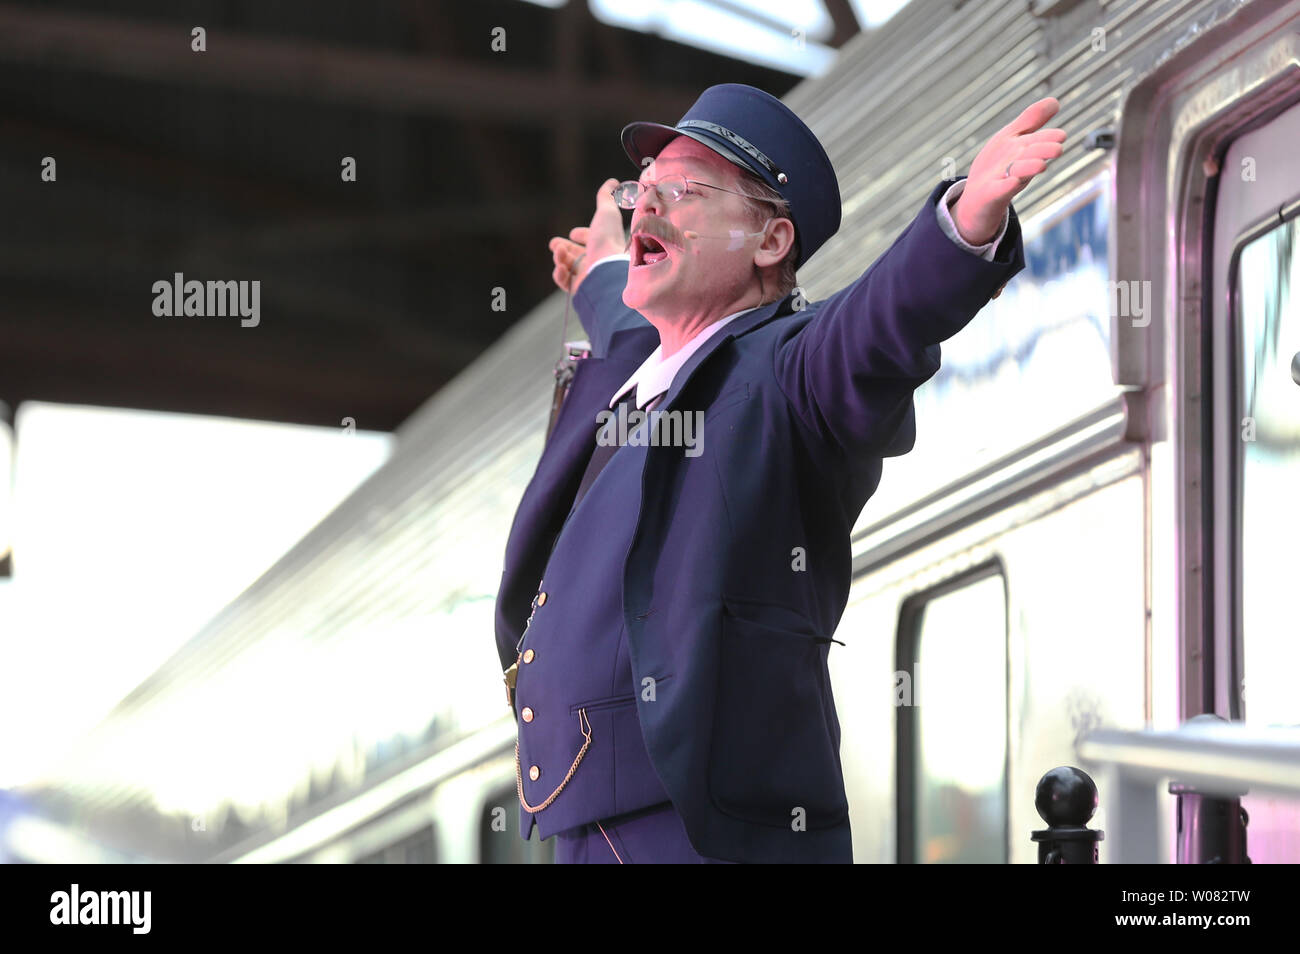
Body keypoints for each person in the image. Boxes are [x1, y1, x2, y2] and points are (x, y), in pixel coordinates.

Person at [494, 83, 1066, 863]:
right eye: (644, 192)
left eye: (685, 191)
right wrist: (601, 269)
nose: (649, 209)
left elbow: (877, 324)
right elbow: (626, 326)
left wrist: (964, 225)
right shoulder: (643, 369)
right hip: (582, 832)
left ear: (769, 244)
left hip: (702, 829)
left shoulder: (788, 368)